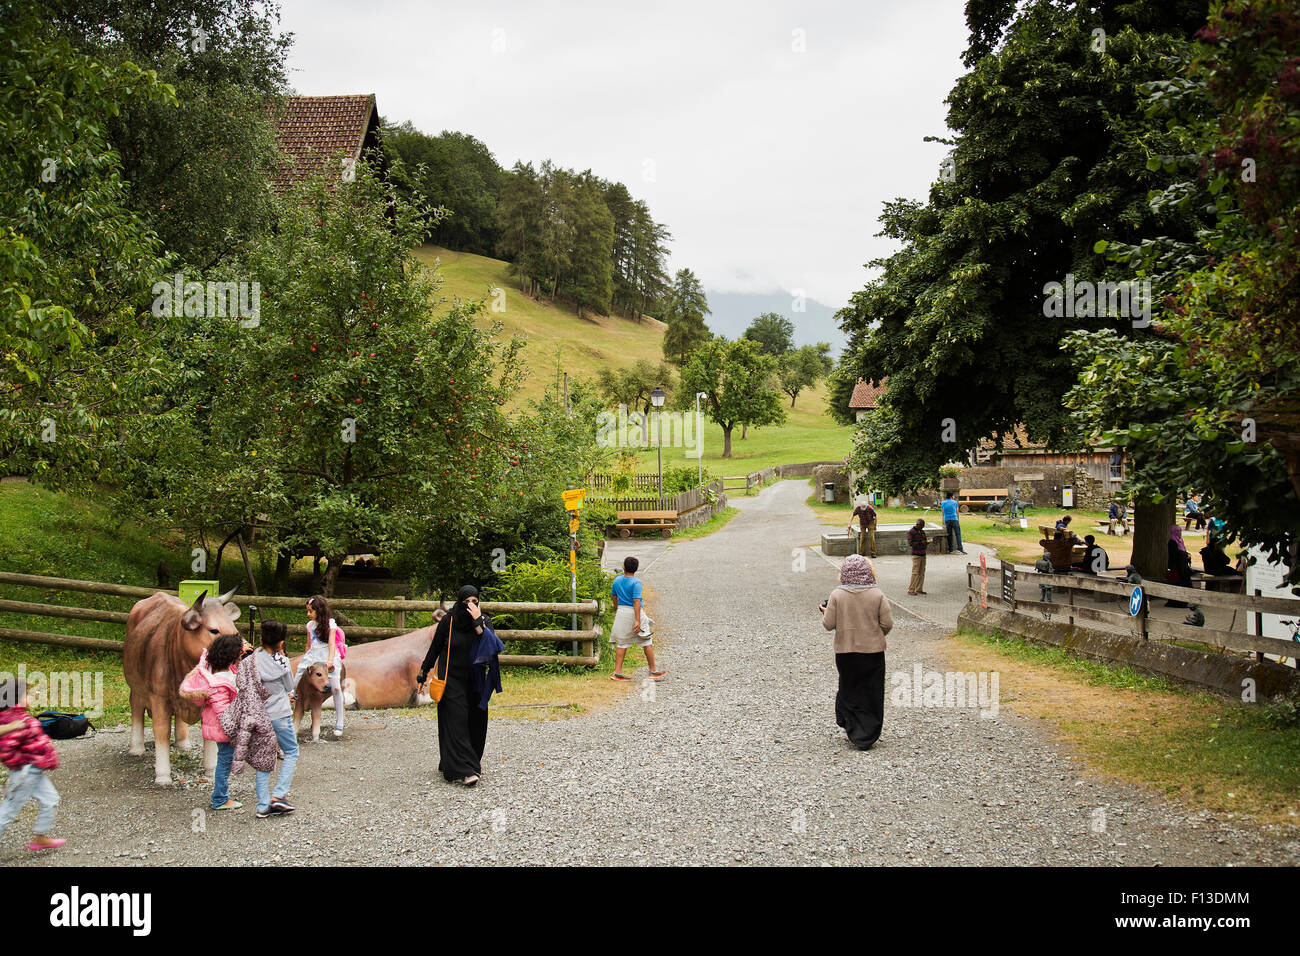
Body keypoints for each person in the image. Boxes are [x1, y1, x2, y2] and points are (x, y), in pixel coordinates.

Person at [418, 586, 494, 786]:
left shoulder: (485, 622)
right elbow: (435, 649)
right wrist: (422, 674)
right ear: (459, 602)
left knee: (476, 725)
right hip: (451, 681)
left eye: (474, 602)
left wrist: (477, 620)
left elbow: (489, 645)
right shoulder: (449, 621)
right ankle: (465, 770)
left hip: (477, 681)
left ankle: (461, 762)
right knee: (456, 723)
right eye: (466, 602)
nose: (470, 606)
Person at [820, 555, 893, 750]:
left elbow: (829, 624)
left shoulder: (837, 595)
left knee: (850, 687)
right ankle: (869, 732)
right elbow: (887, 624)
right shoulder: (877, 594)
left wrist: (825, 612)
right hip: (873, 651)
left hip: (846, 651)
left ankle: (851, 724)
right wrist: (876, 634)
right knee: (872, 691)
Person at [180, 633, 246, 812]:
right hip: (224, 729)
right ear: (232, 655)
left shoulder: (216, 672)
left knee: (226, 760)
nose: (241, 655)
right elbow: (223, 712)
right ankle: (220, 798)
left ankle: (220, 795)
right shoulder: (219, 683)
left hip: (221, 727)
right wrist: (233, 733)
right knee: (224, 761)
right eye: (239, 652)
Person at [0, 677, 64, 851]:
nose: (29, 697)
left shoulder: (20, 717)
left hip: (36, 771)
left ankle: (40, 837)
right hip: (25, 772)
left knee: (51, 799)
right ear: (16, 699)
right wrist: (20, 764)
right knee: (9, 810)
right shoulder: (13, 722)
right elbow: (5, 750)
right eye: (26, 695)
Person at [253, 619, 299, 818]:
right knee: (291, 752)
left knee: (263, 758)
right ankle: (279, 795)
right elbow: (290, 686)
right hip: (279, 713)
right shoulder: (282, 662)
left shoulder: (252, 660)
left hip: (259, 714)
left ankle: (262, 806)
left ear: (262, 638)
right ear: (281, 642)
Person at [607, 556, 665, 682]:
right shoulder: (636, 583)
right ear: (636, 569)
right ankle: (653, 670)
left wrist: (618, 608)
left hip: (621, 611)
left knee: (622, 643)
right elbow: (636, 602)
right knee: (646, 640)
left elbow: (613, 596)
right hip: (634, 613)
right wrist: (638, 620)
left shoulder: (617, 580)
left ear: (624, 567)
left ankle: (617, 672)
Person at [297, 595, 345, 739]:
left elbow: (331, 644)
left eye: (311, 611)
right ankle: (294, 703)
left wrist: (330, 660)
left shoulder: (331, 625)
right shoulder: (310, 625)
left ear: (319, 611)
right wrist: (305, 659)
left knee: (336, 687)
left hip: (327, 655)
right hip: (313, 655)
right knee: (296, 681)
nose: (308, 614)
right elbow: (308, 645)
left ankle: (340, 722)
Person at [1165, 524, 1194, 608]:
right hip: (1176, 568)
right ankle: (1178, 603)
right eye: (1177, 531)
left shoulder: (1180, 541)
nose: (1179, 533)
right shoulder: (1172, 542)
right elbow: (1174, 556)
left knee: (1186, 583)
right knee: (1178, 584)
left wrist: (1187, 555)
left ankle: (1187, 601)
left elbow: (1182, 552)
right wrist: (1184, 555)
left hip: (1183, 567)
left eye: (1180, 531)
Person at [906, 519, 928, 595]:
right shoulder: (911, 532)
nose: (922, 527)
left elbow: (924, 539)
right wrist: (920, 543)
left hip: (923, 554)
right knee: (915, 572)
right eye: (921, 526)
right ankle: (911, 589)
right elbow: (910, 543)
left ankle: (919, 588)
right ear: (917, 524)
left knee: (921, 573)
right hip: (916, 554)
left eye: (923, 526)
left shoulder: (922, 532)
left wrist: (926, 543)